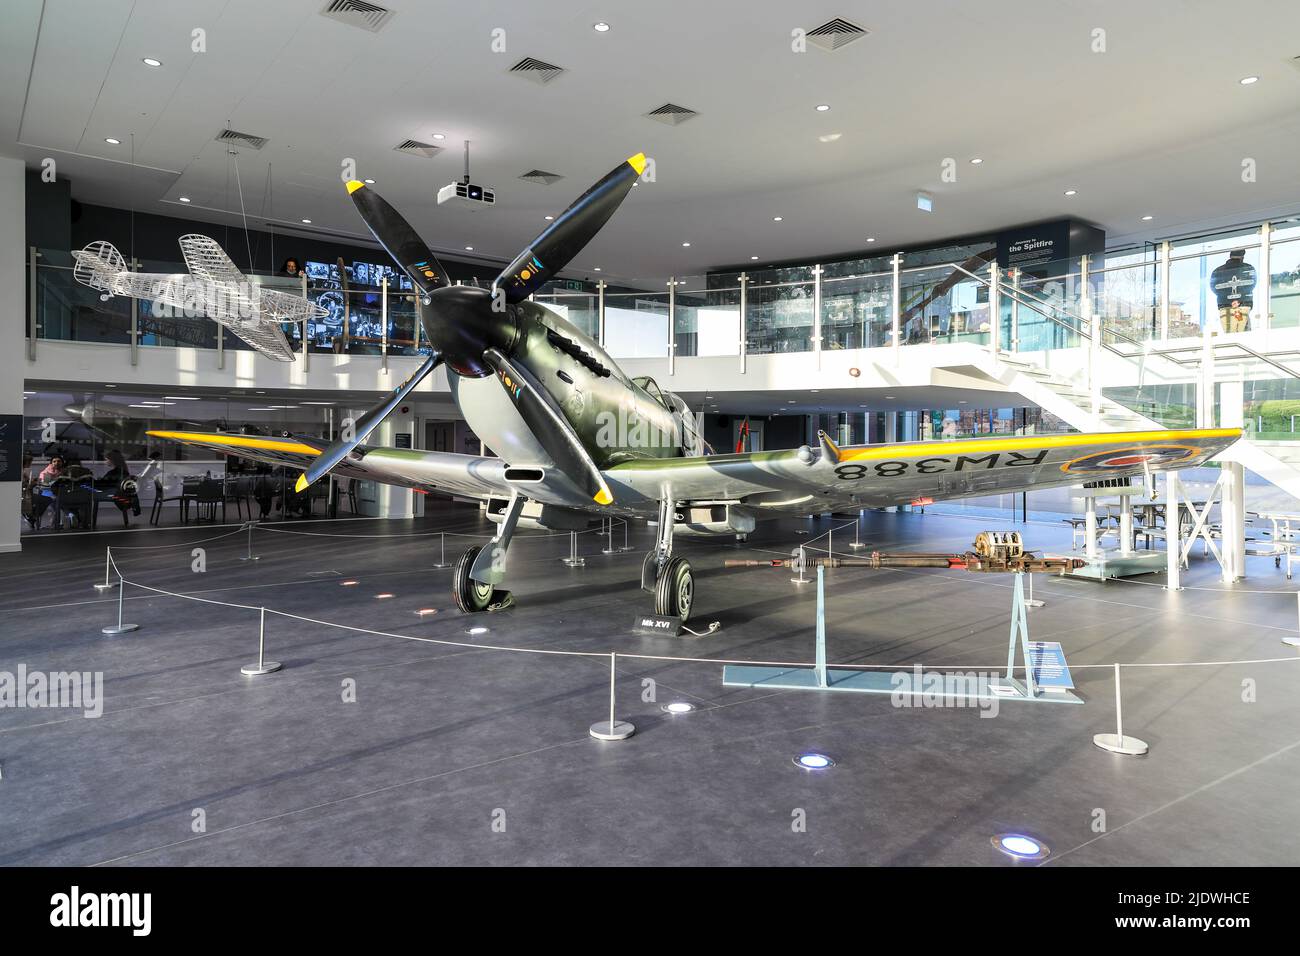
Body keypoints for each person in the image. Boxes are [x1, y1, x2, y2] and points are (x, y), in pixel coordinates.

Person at [1210, 249, 1256, 333]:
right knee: (1244, 333)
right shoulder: (1248, 268)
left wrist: (1230, 300)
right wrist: (1238, 300)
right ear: (1242, 257)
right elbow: (1251, 284)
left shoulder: (1218, 271)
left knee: (1229, 333)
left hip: (1225, 305)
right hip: (1243, 305)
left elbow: (1214, 287)